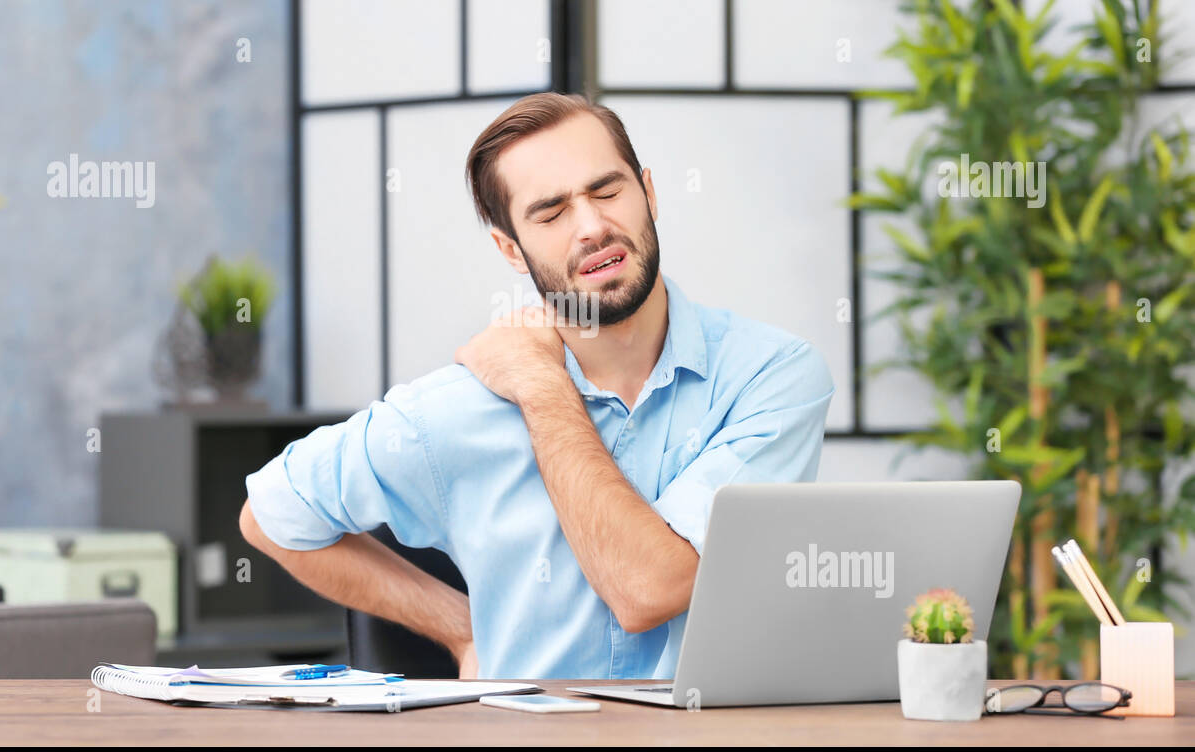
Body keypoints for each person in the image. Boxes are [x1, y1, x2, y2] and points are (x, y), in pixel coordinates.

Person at [240, 92, 835, 680]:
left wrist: (542, 388)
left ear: (648, 192)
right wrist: (459, 627)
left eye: (608, 191)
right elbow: (270, 516)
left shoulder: (770, 376)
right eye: (550, 213)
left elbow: (648, 589)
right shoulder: (457, 409)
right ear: (510, 249)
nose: (593, 227)